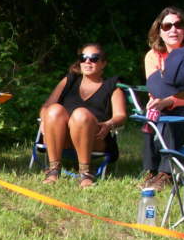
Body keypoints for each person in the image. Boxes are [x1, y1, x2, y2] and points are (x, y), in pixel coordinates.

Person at [39, 44, 126, 188]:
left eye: (94, 58)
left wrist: (109, 124)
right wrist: (44, 118)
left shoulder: (112, 86)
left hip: (94, 137)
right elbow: (46, 107)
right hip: (62, 136)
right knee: (54, 110)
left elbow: (121, 115)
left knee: (81, 114)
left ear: (103, 63)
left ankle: (85, 173)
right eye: (83, 58)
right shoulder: (70, 80)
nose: (87, 62)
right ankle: (53, 170)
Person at [141, 7, 184, 191]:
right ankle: (151, 170)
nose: (173, 30)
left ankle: (166, 173)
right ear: (159, 31)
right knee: (152, 113)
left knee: (168, 118)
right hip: (161, 102)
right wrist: (159, 102)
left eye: (178, 25)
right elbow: (154, 86)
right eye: (167, 26)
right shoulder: (153, 55)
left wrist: (169, 101)